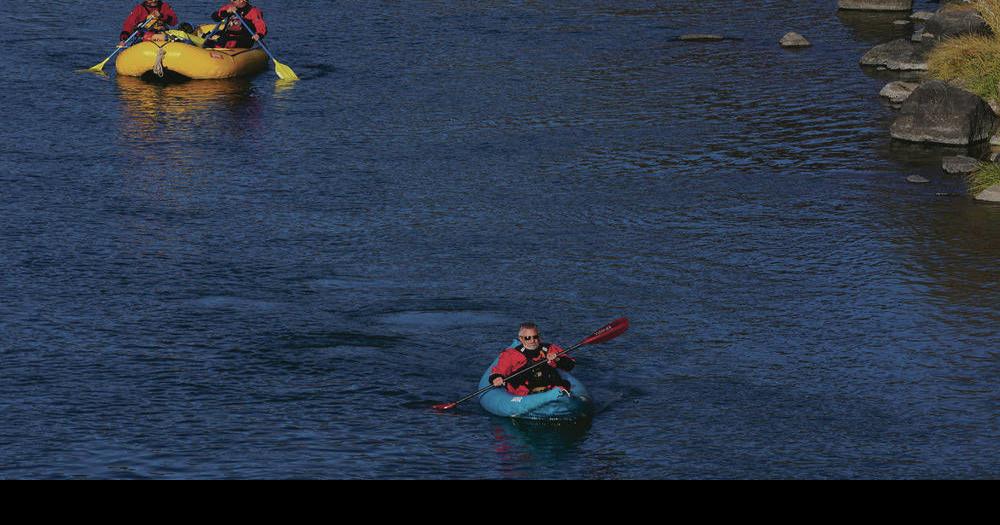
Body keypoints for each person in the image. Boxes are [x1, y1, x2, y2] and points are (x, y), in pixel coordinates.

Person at [489, 322, 575, 396]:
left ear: (539, 336)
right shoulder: (511, 354)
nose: (532, 340)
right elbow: (499, 370)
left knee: (549, 369)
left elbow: (570, 365)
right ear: (521, 339)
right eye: (527, 338)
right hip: (524, 392)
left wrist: (557, 359)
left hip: (550, 387)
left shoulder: (550, 349)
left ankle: (558, 393)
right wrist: (496, 378)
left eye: (535, 337)